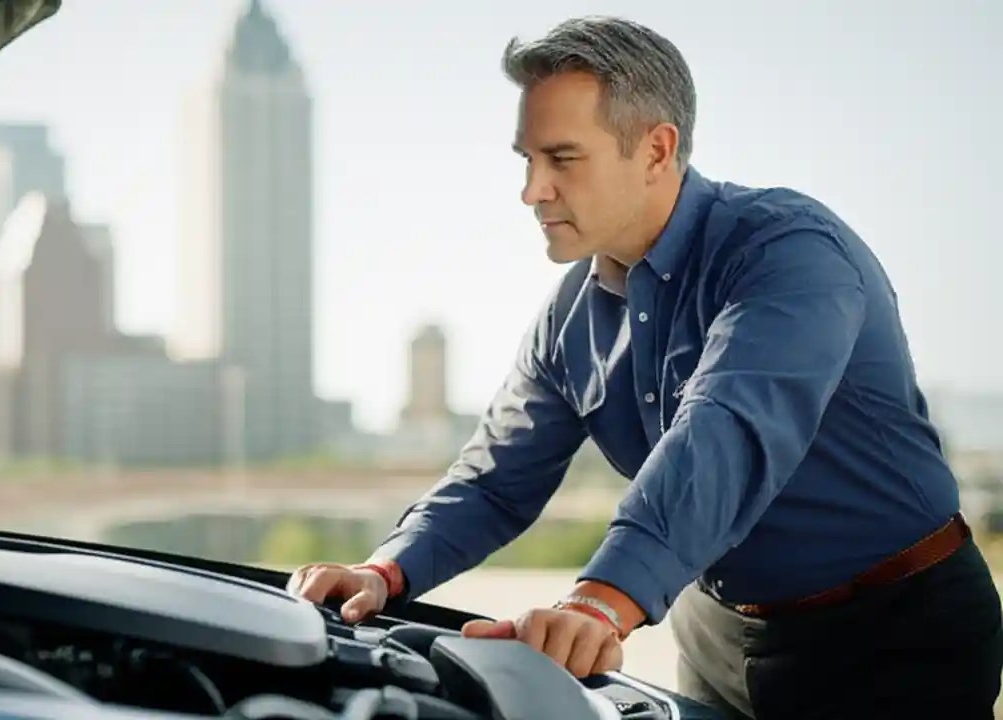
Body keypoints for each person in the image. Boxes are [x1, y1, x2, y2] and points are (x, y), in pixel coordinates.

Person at [286, 15, 1003, 720]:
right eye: (526, 160)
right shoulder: (570, 316)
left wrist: (601, 599)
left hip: (892, 638)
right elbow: (496, 480)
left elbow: (725, 433)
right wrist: (385, 571)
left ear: (657, 150)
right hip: (715, 637)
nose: (532, 191)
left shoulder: (789, 254)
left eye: (562, 159)